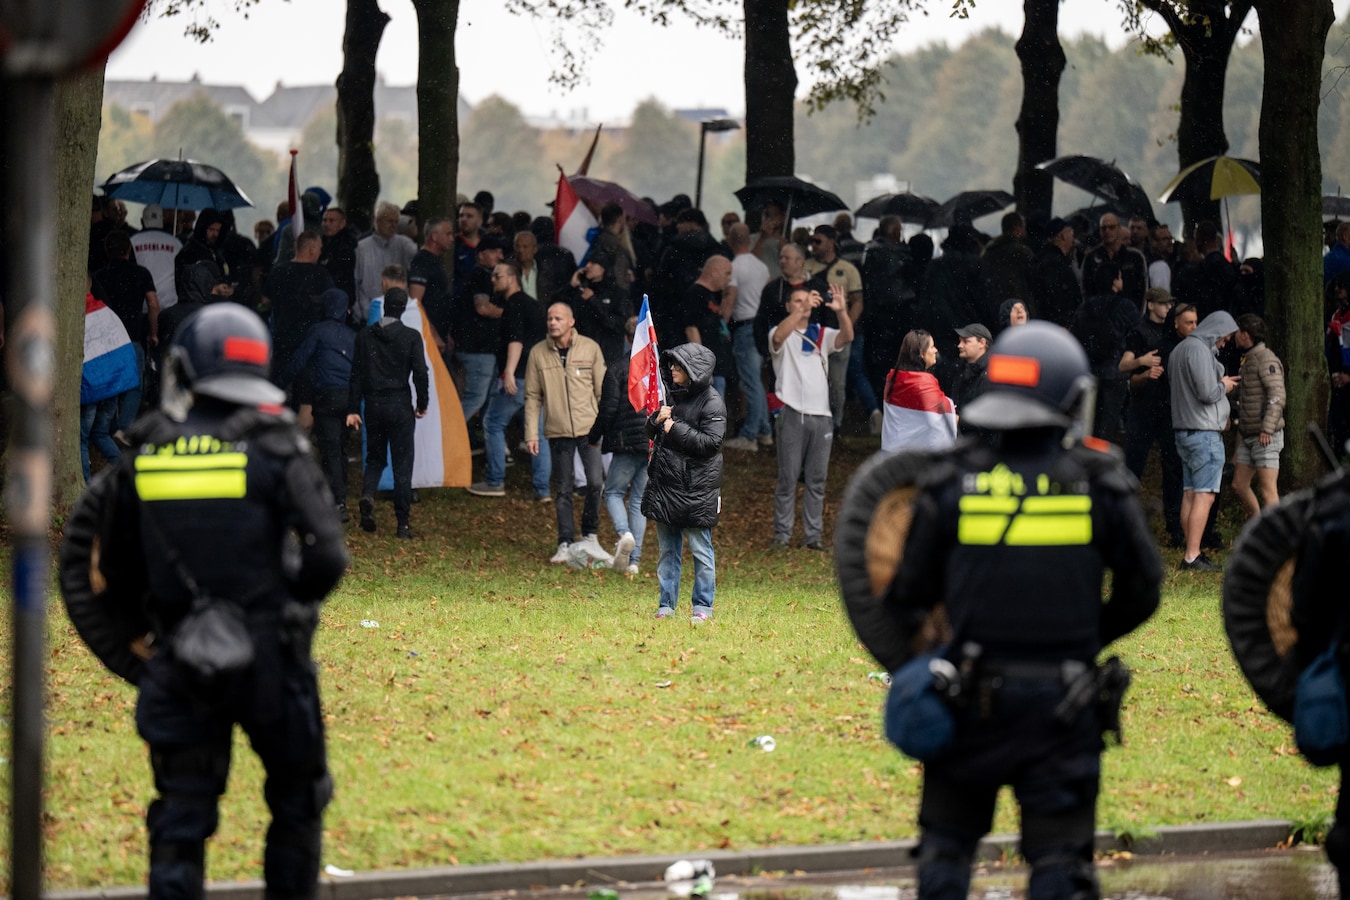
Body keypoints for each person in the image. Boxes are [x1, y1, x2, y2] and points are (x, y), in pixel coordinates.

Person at [63, 302, 348, 900]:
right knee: (298, 800)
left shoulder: (144, 454)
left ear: (184, 366)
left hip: (181, 659)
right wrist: (288, 607)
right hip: (274, 660)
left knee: (181, 817)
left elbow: (100, 566)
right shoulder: (276, 446)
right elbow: (328, 555)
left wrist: (143, 648)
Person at [883, 321, 1162, 900]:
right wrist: (1086, 636)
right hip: (1064, 704)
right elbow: (1144, 589)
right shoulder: (1099, 482)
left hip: (967, 697)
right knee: (1060, 863)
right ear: (1068, 396)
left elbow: (906, 594)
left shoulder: (952, 479)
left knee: (946, 850)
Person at [642, 342, 725, 622]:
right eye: (673, 364)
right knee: (668, 552)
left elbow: (711, 444)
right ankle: (666, 605)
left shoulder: (712, 401)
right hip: (666, 487)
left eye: (679, 365)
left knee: (701, 551)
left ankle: (703, 607)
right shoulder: (671, 396)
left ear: (694, 370)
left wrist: (674, 427)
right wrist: (656, 421)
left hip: (696, 491)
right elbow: (653, 432)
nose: (673, 368)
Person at [769, 284, 853, 550]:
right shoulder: (780, 331)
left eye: (807, 300)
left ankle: (812, 537)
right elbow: (778, 338)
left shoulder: (820, 334)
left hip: (822, 415)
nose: (804, 304)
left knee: (817, 480)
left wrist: (842, 312)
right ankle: (782, 535)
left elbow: (846, 337)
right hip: (792, 412)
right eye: (797, 300)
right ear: (788, 306)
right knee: (788, 477)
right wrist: (803, 310)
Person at [524, 302, 607, 563]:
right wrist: (531, 434)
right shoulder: (538, 353)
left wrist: (604, 425)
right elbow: (533, 396)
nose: (553, 322)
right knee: (562, 488)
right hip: (557, 430)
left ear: (571, 322)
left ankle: (590, 535)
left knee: (595, 483)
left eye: (558, 318)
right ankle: (565, 542)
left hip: (589, 428)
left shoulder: (590, 347)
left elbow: (601, 390)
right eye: (550, 318)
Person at [346, 287, 429, 539]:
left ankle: (368, 496)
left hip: (373, 406)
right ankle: (402, 524)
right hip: (400, 405)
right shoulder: (411, 336)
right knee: (403, 465)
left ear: (384, 307)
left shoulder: (364, 336)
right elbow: (420, 373)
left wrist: (352, 408)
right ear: (403, 308)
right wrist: (422, 403)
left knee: (375, 458)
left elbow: (356, 376)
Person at [467, 261, 551, 501]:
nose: (493, 280)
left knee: (492, 422)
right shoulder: (532, 305)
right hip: (538, 377)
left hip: (521, 377)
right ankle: (542, 489)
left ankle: (495, 481)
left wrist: (510, 372)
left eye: (497, 276)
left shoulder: (514, 305)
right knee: (538, 432)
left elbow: (516, 340)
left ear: (512, 278)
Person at [1169, 310, 1240, 571]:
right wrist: (1224, 385)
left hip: (1184, 430)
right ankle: (1192, 555)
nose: (1224, 343)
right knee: (1205, 495)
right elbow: (1208, 392)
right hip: (1204, 434)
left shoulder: (1179, 350)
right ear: (1216, 331)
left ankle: (1191, 550)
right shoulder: (1198, 350)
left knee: (1190, 493)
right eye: (1224, 338)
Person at [278, 288, 356, 522]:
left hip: (326, 397)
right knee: (341, 447)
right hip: (348, 397)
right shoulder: (354, 335)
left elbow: (299, 361)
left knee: (330, 448)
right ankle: (341, 493)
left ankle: (338, 501)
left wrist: (278, 384)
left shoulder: (318, 331)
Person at [1120, 288, 1186, 547]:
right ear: (1150, 305)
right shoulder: (1139, 332)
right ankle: (1125, 524)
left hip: (1169, 409)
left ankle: (1175, 527)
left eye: (1169, 303)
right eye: (1162, 304)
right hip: (1143, 408)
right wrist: (1142, 363)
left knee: (1173, 469)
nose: (1167, 307)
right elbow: (1123, 367)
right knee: (1133, 466)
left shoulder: (1175, 335)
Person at [587, 316, 651, 574]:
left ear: (626, 338)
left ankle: (624, 534)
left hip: (625, 444)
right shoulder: (657, 370)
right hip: (650, 445)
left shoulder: (616, 368)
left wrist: (594, 436)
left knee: (612, 492)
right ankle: (634, 562)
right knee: (638, 501)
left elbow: (608, 409)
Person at [723, 222, 773, 451]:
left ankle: (750, 434)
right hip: (761, 325)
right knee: (756, 381)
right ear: (748, 240)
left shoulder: (734, 267)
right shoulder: (761, 267)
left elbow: (731, 297)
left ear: (730, 240)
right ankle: (764, 430)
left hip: (744, 326)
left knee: (750, 383)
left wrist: (722, 324)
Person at [1231, 314, 1284, 519]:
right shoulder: (1249, 359)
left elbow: (1277, 396)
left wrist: (1267, 428)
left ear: (1245, 335)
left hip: (1265, 437)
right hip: (1248, 434)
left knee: (1268, 490)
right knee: (1239, 484)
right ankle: (1259, 524)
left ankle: (1276, 539)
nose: (1234, 335)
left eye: (1237, 331)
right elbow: (1246, 390)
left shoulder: (1266, 359)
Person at [880, 329, 957, 453]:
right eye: (932, 347)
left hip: (891, 454)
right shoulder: (923, 383)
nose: (935, 350)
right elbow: (941, 419)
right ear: (921, 353)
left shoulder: (893, 379)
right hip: (914, 461)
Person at [354, 201, 418, 318]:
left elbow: (418, 256)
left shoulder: (403, 244)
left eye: (396, 222)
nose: (393, 226)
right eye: (389, 221)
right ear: (377, 221)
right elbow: (357, 280)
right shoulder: (362, 247)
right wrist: (360, 311)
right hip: (369, 310)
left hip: (399, 312)